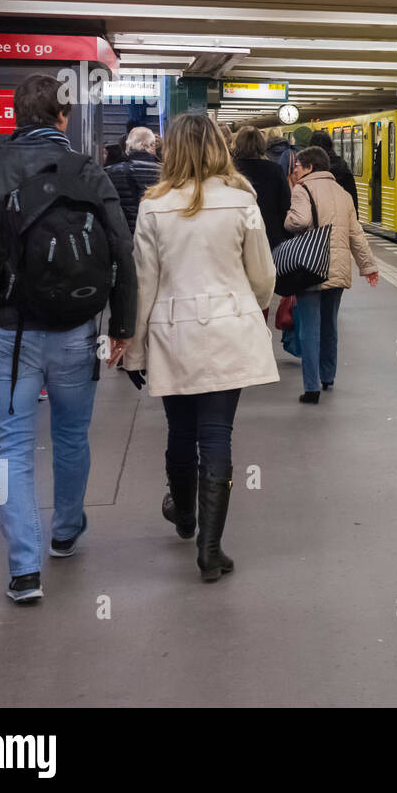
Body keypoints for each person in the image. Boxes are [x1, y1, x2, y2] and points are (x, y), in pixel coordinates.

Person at [0, 72, 137, 604]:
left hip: (10, 333)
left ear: (16, 115)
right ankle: (65, 532)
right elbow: (121, 251)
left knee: (12, 446)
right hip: (77, 329)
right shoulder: (88, 171)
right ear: (65, 115)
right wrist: (122, 326)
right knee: (72, 435)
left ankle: (24, 572)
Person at [124, 113, 278, 582]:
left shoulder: (154, 206)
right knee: (216, 433)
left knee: (180, 430)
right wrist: (247, 306)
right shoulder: (242, 200)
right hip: (229, 330)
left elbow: (143, 285)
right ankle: (210, 550)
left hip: (174, 333)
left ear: (169, 150)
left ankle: (185, 515)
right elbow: (262, 276)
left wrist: (134, 350)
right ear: (219, 147)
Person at [285, 146, 379, 403]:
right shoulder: (342, 193)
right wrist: (368, 266)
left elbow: (299, 221)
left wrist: (287, 218)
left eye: (298, 167)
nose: (295, 171)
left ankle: (311, 387)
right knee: (329, 326)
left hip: (310, 267)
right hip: (336, 268)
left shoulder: (302, 190)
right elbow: (355, 233)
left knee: (309, 328)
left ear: (310, 167)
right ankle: (328, 376)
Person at [231, 126, 291, 249]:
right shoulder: (275, 169)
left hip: (238, 232)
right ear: (261, 144)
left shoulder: (231, 170)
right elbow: (285, 204)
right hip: (270, 233)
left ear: (237, 144)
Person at [104, 125, 162, 233]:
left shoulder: (112, 172)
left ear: (128, 145)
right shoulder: (166, 173)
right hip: (155, 232)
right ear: (152, 145)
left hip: (124, 233)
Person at [309, 129, 359, 218]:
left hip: (319, 217)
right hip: (340, 216)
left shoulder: (310, 167)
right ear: (331, 144)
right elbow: (351, 194)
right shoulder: (341, 165)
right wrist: (354, 217)